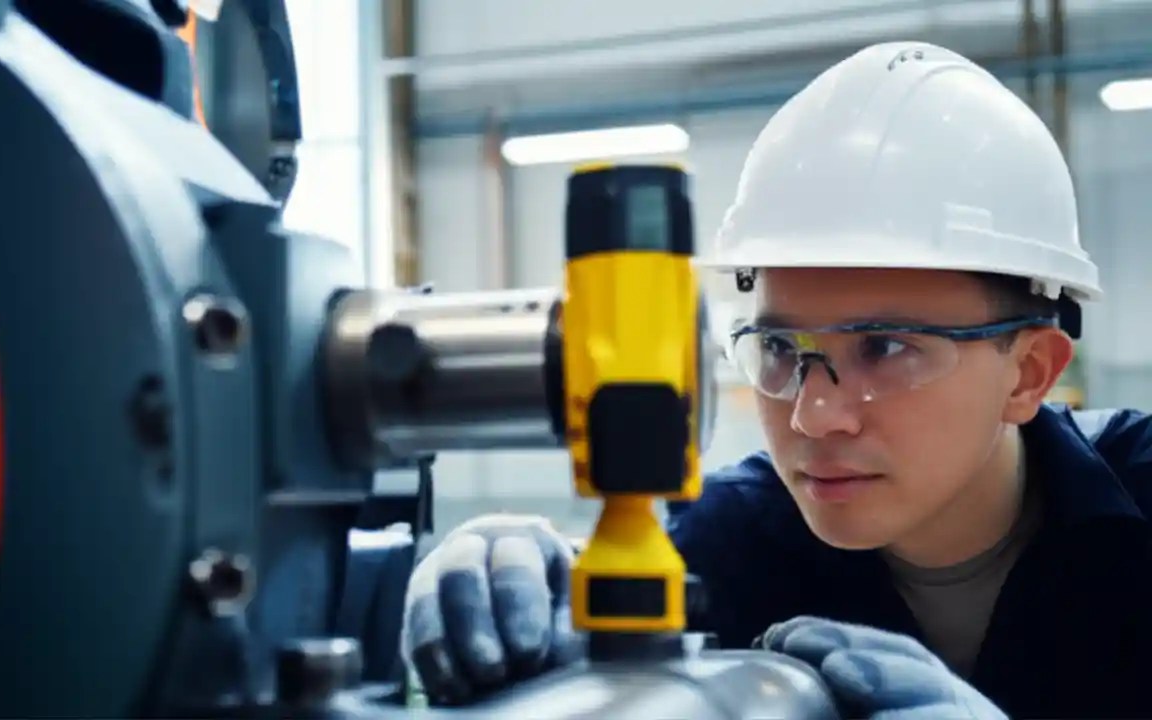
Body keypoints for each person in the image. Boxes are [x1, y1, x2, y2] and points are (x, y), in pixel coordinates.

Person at [398, 41, 1152, 719]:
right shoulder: (731, 543)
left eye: (885, 349)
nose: (813, 415)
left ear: (1027, 374)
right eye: (782, 349)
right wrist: (531, 597)